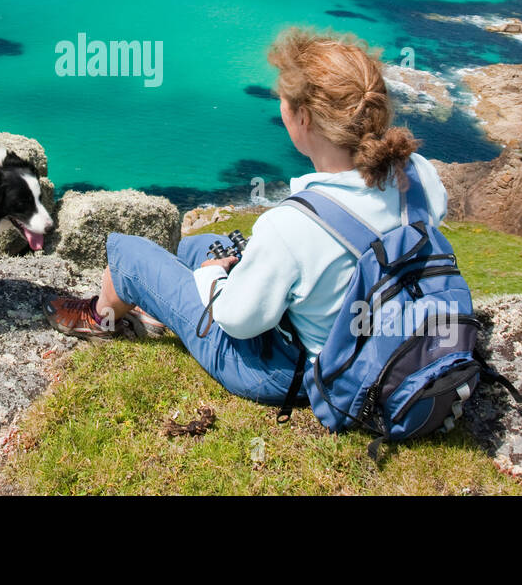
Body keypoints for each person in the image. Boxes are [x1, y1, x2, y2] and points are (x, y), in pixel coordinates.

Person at [43, 27, 449, 408]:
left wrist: (213, 278)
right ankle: (154, 303)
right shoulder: (418, 174)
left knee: (129, 254)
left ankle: (101, 316)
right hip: (379, 340)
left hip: (284, 371)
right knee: (195, 246)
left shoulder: (293, 224)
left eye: (284, 98)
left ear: (303, 119)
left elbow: (237, 321)